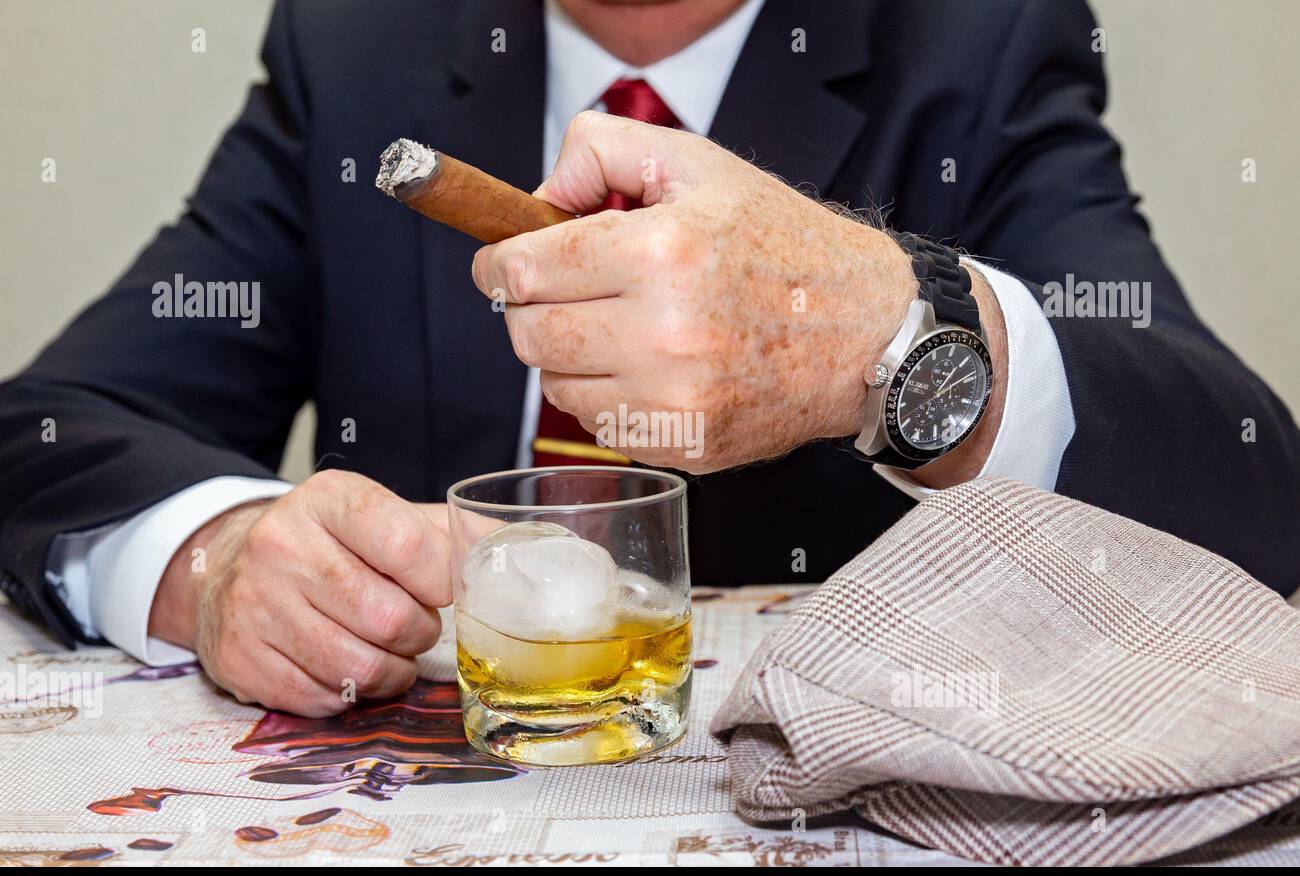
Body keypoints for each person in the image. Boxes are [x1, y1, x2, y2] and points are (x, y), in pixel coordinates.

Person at [2, 0, 1296, 716]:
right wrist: (215, 561)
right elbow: (58, 422)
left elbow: (1251, 502)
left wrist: (892, 335)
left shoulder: (978, 42)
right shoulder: (356, 47)